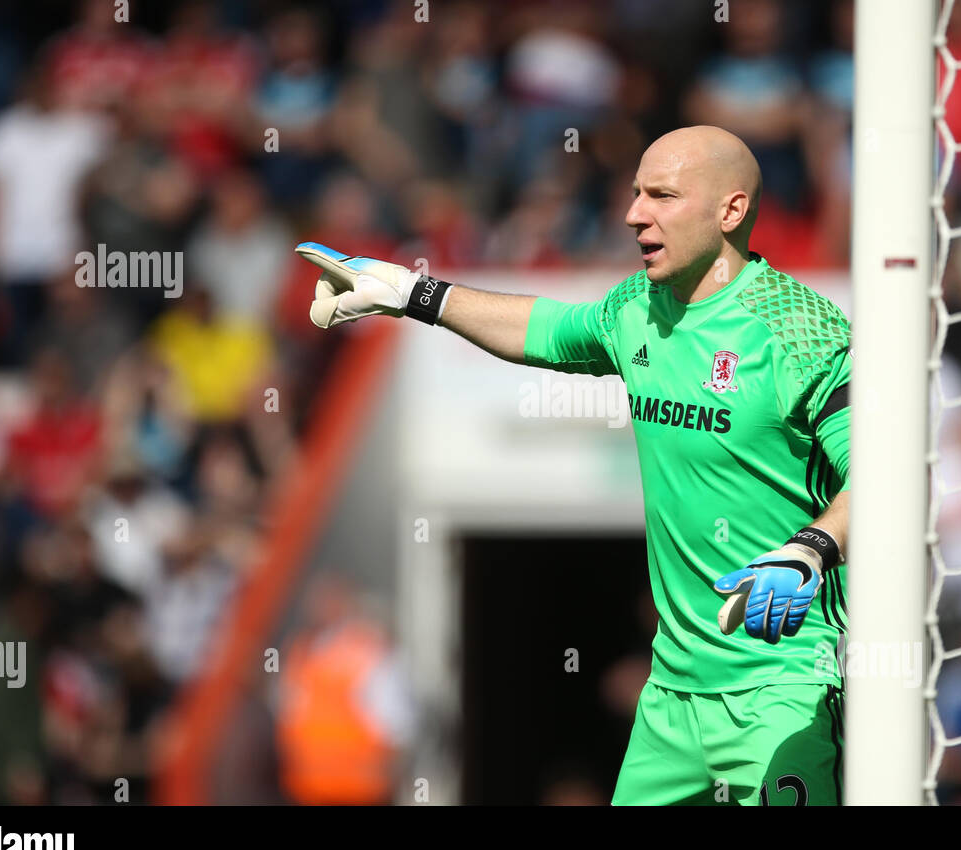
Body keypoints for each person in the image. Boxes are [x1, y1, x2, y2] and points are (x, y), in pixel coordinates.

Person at [298, 126, 852, 805]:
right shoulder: (637, 309)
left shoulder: (804, 332)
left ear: (730, 211)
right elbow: (543, 330)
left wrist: (811, 549)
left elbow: (885, 478)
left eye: (663, 196)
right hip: (672, 696)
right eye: (634, 195)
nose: (633, 214)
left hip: (782, 683)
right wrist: (413, 294)